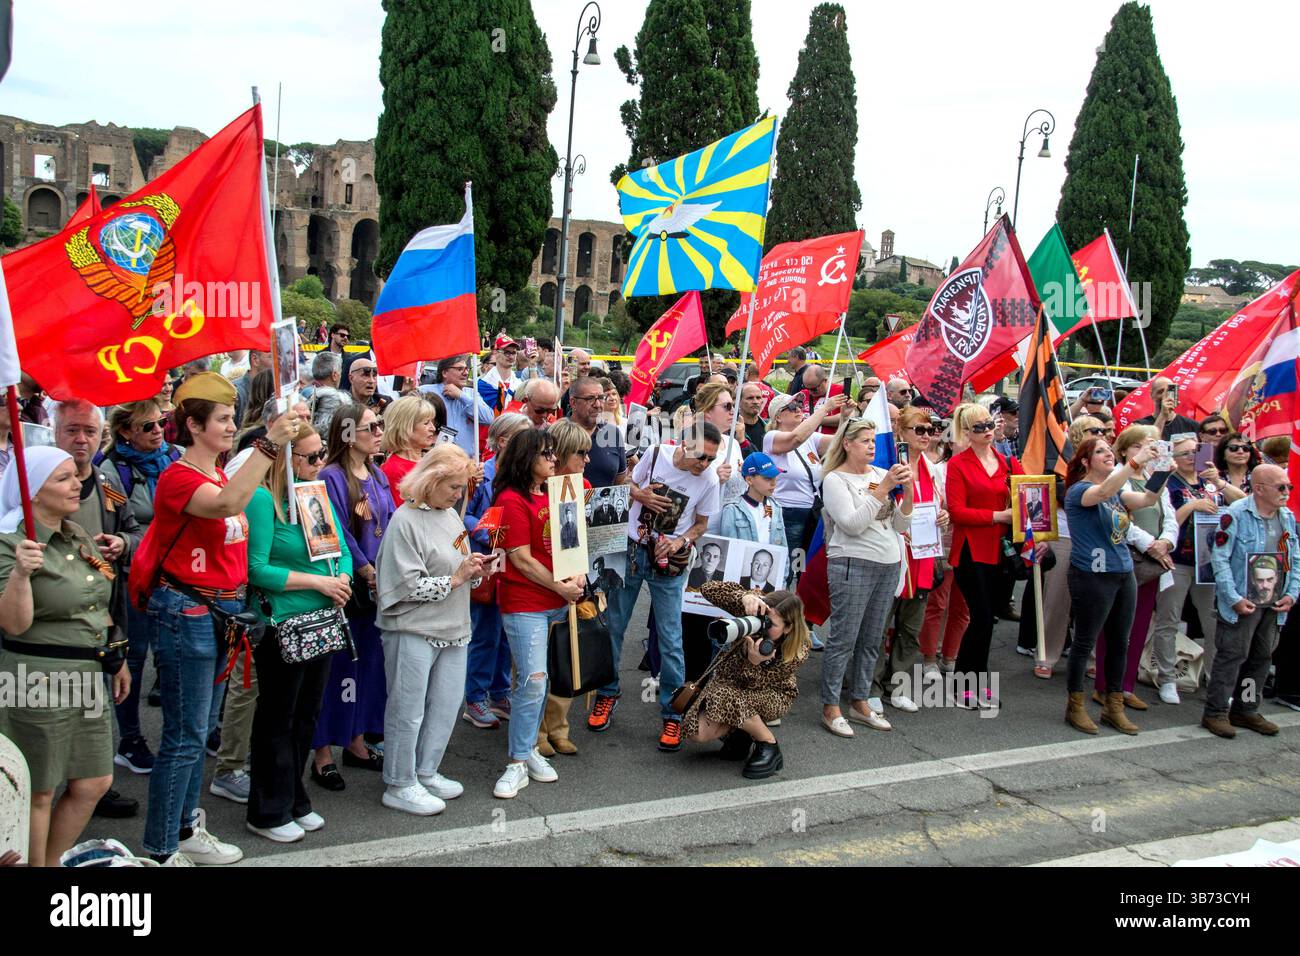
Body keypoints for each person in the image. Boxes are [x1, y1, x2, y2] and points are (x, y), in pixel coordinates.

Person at [139, 372, 300, 865]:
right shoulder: (179, 476)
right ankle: (163, 847)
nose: (233, 426)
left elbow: (234, 501)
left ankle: (186, 829)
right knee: (185, 737)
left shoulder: (219, 470)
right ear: (192, 425)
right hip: (186, 610)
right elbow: (228, 505)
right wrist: (271, 442)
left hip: (219, 610)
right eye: (224, 419)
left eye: (233, 418)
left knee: (197, 728)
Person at [0, 447, 126, 866]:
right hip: (37, 678)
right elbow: (13, 623)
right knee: (38, 788)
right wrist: (20, 573)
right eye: (63, 478)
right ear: (32, 491)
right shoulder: (10, 542)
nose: (77, 484)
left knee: (94, 780)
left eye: (75, 475)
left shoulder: (78, 534)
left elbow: (96, 602)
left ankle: (50, 862)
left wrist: (117, 655)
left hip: (88, 671)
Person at [244, 422, 353, 841]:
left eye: (322, 452)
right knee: (278, 716)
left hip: (323, 619)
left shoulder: (315, 493)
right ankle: (267, 810)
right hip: (283, 623)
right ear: (285, 461)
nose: (320, 461)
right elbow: (256, 569)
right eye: (311, 457)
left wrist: (341, 579)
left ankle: (295, 798)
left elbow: (340, 548)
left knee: (307, 713)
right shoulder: (261, 499)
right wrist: (318, 583)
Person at [589, 422, 722, 748]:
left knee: (670, 638)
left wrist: (680, 544)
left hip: (669, 561)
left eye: (711, 459)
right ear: (684, 446)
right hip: (633, 549)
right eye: (701, 457)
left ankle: (673, 714)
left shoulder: (709, 480)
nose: (705, 465)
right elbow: (628, 483)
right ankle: (607, 693)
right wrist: (640, 494)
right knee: (615, 626)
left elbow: (701, 525)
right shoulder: (656, 453)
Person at [374, 444, 486, 814]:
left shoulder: (450, 516)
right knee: (408, 708)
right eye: (454, 487)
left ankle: (426, 770)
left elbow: (456, 561)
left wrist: (472, 569)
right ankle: (400, 782)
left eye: (461, 487)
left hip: (453, 623)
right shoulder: (404, 521)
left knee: (446, 703)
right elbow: (404, 585)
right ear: (431, 481)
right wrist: (456, 579)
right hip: (413, 628)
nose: (459, 495)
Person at [52, 400, 143, 818]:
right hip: (50, 621)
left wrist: (125, 544)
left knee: (98, 703)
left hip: (104, 611)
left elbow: (135, 530)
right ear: (55, 431)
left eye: (90, 431)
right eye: (73, 430)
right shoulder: (37, 482)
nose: (82, 439)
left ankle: (92, 785)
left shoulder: (108, 481)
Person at [491, 429, 585, 797]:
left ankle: (529, 750)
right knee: (532, 680)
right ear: (525, 457)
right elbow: (519, 558)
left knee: (541, 681)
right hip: (525, 603)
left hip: (556, 601)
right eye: (545, 453)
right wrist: (561, 586)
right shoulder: (510, 498)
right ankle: (517, 761)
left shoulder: (556, 490)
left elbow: (573, 541)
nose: (553, 458)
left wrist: (577, 574)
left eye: (553, 453)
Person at [312, 405, 394, 790]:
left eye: (379, 425)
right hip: (351, 584)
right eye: (370, 427)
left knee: (367, 667)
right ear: (347, 434)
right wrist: (365, 570)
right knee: (339, 669)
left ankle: (358, 740)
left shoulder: (377, 473)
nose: (379, 431)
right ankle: (323, 752)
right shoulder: (331, 476)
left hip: (380, 584)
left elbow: (390, 522)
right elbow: (338, 532)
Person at [817, 419, 913, 737]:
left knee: (872, 639)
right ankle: (831, 707)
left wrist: (908, 491)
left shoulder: (875, 475)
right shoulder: (834, 480)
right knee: (844, 639)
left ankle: (859, 700)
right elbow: (852, 525)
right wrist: (884, 488)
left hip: (887, 563)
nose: (872, 446)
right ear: (847, 444)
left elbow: (899, 525)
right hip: (853, 564)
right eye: (865, 441)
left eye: (873, 441)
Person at [1061, 437, 1159, 735]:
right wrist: (1134, 462)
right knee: (1085, 641)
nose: (1108, 455)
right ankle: (1075, 705)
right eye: (1100, 451)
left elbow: (1148, 500)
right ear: (1085, 462)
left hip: (1122, 572)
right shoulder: (1079, 491)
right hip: (1091, 574)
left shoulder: (1119, 493)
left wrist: (1165, 466)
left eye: (1109, 451)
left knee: (1120, 641)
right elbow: (1101, 491)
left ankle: (1112, 706)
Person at [100, 398, 179, 757]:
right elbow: (117, 527)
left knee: (172, 657)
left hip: (177, 575)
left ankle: (182, 737)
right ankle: (130, 738)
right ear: (125, 432)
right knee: (133, 657)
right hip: (136, 576)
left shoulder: (175, 457)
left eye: (160, 422)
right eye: (147, 426)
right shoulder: (112, 473)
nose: (158, 430)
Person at [1202, 464, 1299, 738]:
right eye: (1281, 487)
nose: (1286, 492)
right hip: (1243, 600)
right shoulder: (1235, 515)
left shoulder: (1287, 517)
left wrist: (1292, 593)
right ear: (1259, 489)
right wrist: (1232, 598)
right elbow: (1219, 559)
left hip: (1274, 601)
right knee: (1232, 655)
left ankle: (1246, 709)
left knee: (1261, 657)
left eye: (1288, 487)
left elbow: (1296, 557)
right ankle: (1216, 712)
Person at [681, 584, 811, 778]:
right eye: (762, 620)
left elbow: (754, 686)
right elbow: (707, 588)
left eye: (772, 624)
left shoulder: (798, 650)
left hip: (772, 694)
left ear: (789, 626)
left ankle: (768, 743)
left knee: (726, 695)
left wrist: (753, 663)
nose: (763, 626)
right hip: (727, 687)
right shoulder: (755, 609)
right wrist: (745, 597)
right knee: (696, 732)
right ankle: (741, 734)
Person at [946, 402, 1027, 709]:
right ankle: (965, 685)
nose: (988, 431)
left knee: (986, 618)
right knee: (980, 616)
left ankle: (976, 681)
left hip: (1001, 549)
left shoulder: (1006, 461)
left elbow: (1027, 492)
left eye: (990, 424)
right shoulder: (958, 464)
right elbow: (957, 511)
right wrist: (998, 516)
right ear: (967, 431)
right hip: (971, 549)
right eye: (980, 427)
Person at [1092, 425, 1177, 710]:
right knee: (1115, 625)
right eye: (1142, 444)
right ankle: (1104, 685)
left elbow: (1166, 512)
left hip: (1153, 562)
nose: (1150, 449)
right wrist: (1150, 544)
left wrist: (1166, 541)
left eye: (1153, 444)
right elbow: (1119, 517)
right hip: (1127, 556)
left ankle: (1125, 687)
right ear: (1127, 449)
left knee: (1140, 624)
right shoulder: (1119, 477)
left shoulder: (1154, 477)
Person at [871, 407, 948, 713]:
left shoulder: (933, 468)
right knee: (878, 625)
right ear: (901, 433)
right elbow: (875, 507)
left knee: (910, 628)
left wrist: (944, 516)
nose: (926, 436)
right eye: (920, 430)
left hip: (924, 557)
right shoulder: (888, 467)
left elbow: (937, 506)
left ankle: (897, 684)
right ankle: (871, 685)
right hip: (895, 555)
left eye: (931, 430)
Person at [461, 413, 530, 731]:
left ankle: (500, 693)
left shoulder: (524, 474)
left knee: (506, 635)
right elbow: (461, 516)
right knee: (485, 634)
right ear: (502, 441)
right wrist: (488, 531)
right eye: (521, 436)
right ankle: (474, 698)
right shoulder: (479, 475)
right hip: (487, 563)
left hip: (515, 564)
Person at [535, 418, 592, 756]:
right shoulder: (537, 487)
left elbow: (585, 538)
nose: (586, 460)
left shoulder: (580, 487)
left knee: (565, 658)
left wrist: (580, 572)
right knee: (537, 663)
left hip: (571, 583)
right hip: (540, 585)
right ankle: (537, 731)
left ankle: (559, 727)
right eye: (580, 453)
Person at [1150, 435, 1221, 705]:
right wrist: (1192, 505)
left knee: (1213, 622)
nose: (1192, 457)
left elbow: (1232, 508)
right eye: (1185, 454)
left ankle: (1216, 676)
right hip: (1177, 558)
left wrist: (1218, 482)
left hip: (1208, 561)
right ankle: (1167, 677)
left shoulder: (1209, 482)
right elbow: (1167, 521)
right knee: (1169, 619)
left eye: (1195, 452)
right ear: (1173, 459)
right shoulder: (1168, 484)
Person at [762, 392, 847, 561]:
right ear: (778, 416)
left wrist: (845, 418)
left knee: (804, 564)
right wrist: (825, 409)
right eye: (793, 406)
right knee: (788, 563)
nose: (799, 409)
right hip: (787, 512)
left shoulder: (811, 439)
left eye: (800, 405)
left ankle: (798, 587)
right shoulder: (771, 437)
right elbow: (796, 438)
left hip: (811, 511)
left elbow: (841, 443)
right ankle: (786, 587)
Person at [420, 354, 496, 459]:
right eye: (460, 369)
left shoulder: (471, 394)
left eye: (467, 369)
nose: (465, 373)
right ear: (445, 372)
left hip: (465, 462)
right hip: (435, 460)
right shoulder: (426, 392)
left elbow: (489, 419)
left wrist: (461, 396)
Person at [380, 395, 446, 506]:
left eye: (432, 422)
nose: (433, 428)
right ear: (406, 427)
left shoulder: (428, 460)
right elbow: (401, 516)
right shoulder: (393, 469)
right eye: (426, 423)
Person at [568, 375, 627, 487]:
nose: (598, 405)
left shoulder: (613, 434)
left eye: (600, 398)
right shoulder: (557, 434)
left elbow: (620, 481)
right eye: (590, 399)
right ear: (573, 402)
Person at [1134, 377, 1201, 439]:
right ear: (1151, 394)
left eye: (1169, 392)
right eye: (1161, 392)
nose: (1164, 396)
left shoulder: (1192, 425)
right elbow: (1150, 444)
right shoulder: (1139, 426)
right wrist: (1163, 415)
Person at [797, 365, 851, 436]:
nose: (810, 392)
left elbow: (846, 418)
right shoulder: (802, 395)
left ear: (825, 381)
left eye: (814, 389)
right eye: (807, 387)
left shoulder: (840, 391)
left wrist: (814, 420)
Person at [478, 334, 523, 414]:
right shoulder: (484, 383)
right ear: (496, 353)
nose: (511, 356)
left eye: (514, 353)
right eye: (507, 352)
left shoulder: (519, 383)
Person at [306, 351, 346, 436]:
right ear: (334, 375)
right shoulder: (335, 398)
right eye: (340, 372)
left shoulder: (304, 392)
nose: (340, 376)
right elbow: (346, 436)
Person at [1214, 432, 1259, 503]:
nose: (1241, 452)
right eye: (1233, 448)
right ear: (1223, 454)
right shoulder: (1214, 478)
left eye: (1245, 448)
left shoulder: (1259, 476)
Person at [232, 350, 272, 426]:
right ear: (255, 359)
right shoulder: (237, 391)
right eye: (271, 357)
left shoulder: (273, 389)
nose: (279, 362)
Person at [738, 382, 768, 453]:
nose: (755, 401)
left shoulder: (769, 427)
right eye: (750, 398)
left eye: (758, 398)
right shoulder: (731, 429)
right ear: (739, 401)